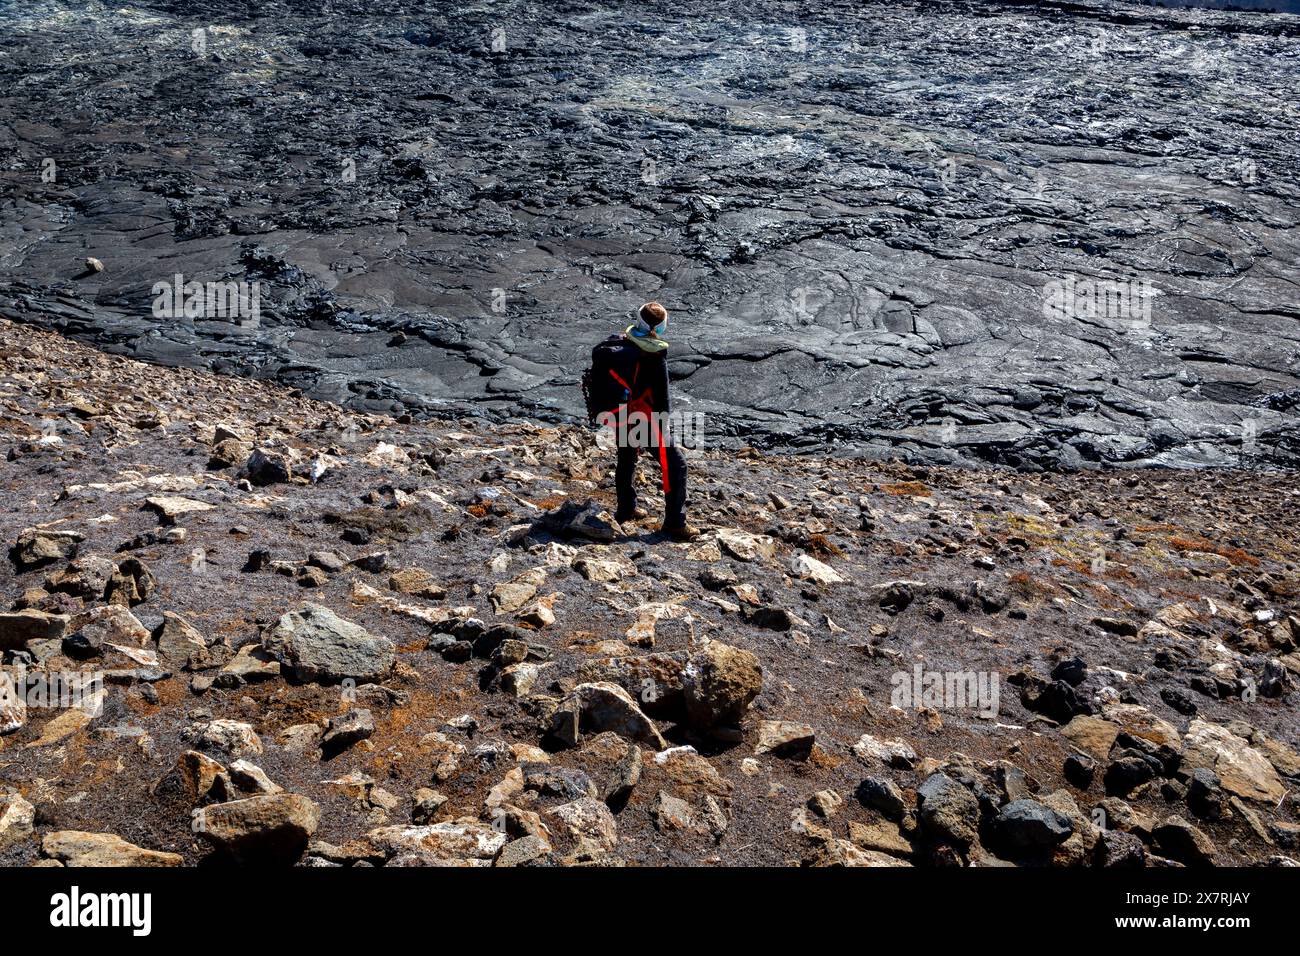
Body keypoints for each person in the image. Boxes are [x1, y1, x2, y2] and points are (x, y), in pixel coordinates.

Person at [606, 302, 697, 541]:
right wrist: (663, 428)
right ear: (660, 326)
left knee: (626, 457)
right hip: (646, 419)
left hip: (622, 414)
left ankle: (626, 508)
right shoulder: (654, 355)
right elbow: (662, 398)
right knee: (676, 465)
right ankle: (675, 523)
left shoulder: (623, 342)